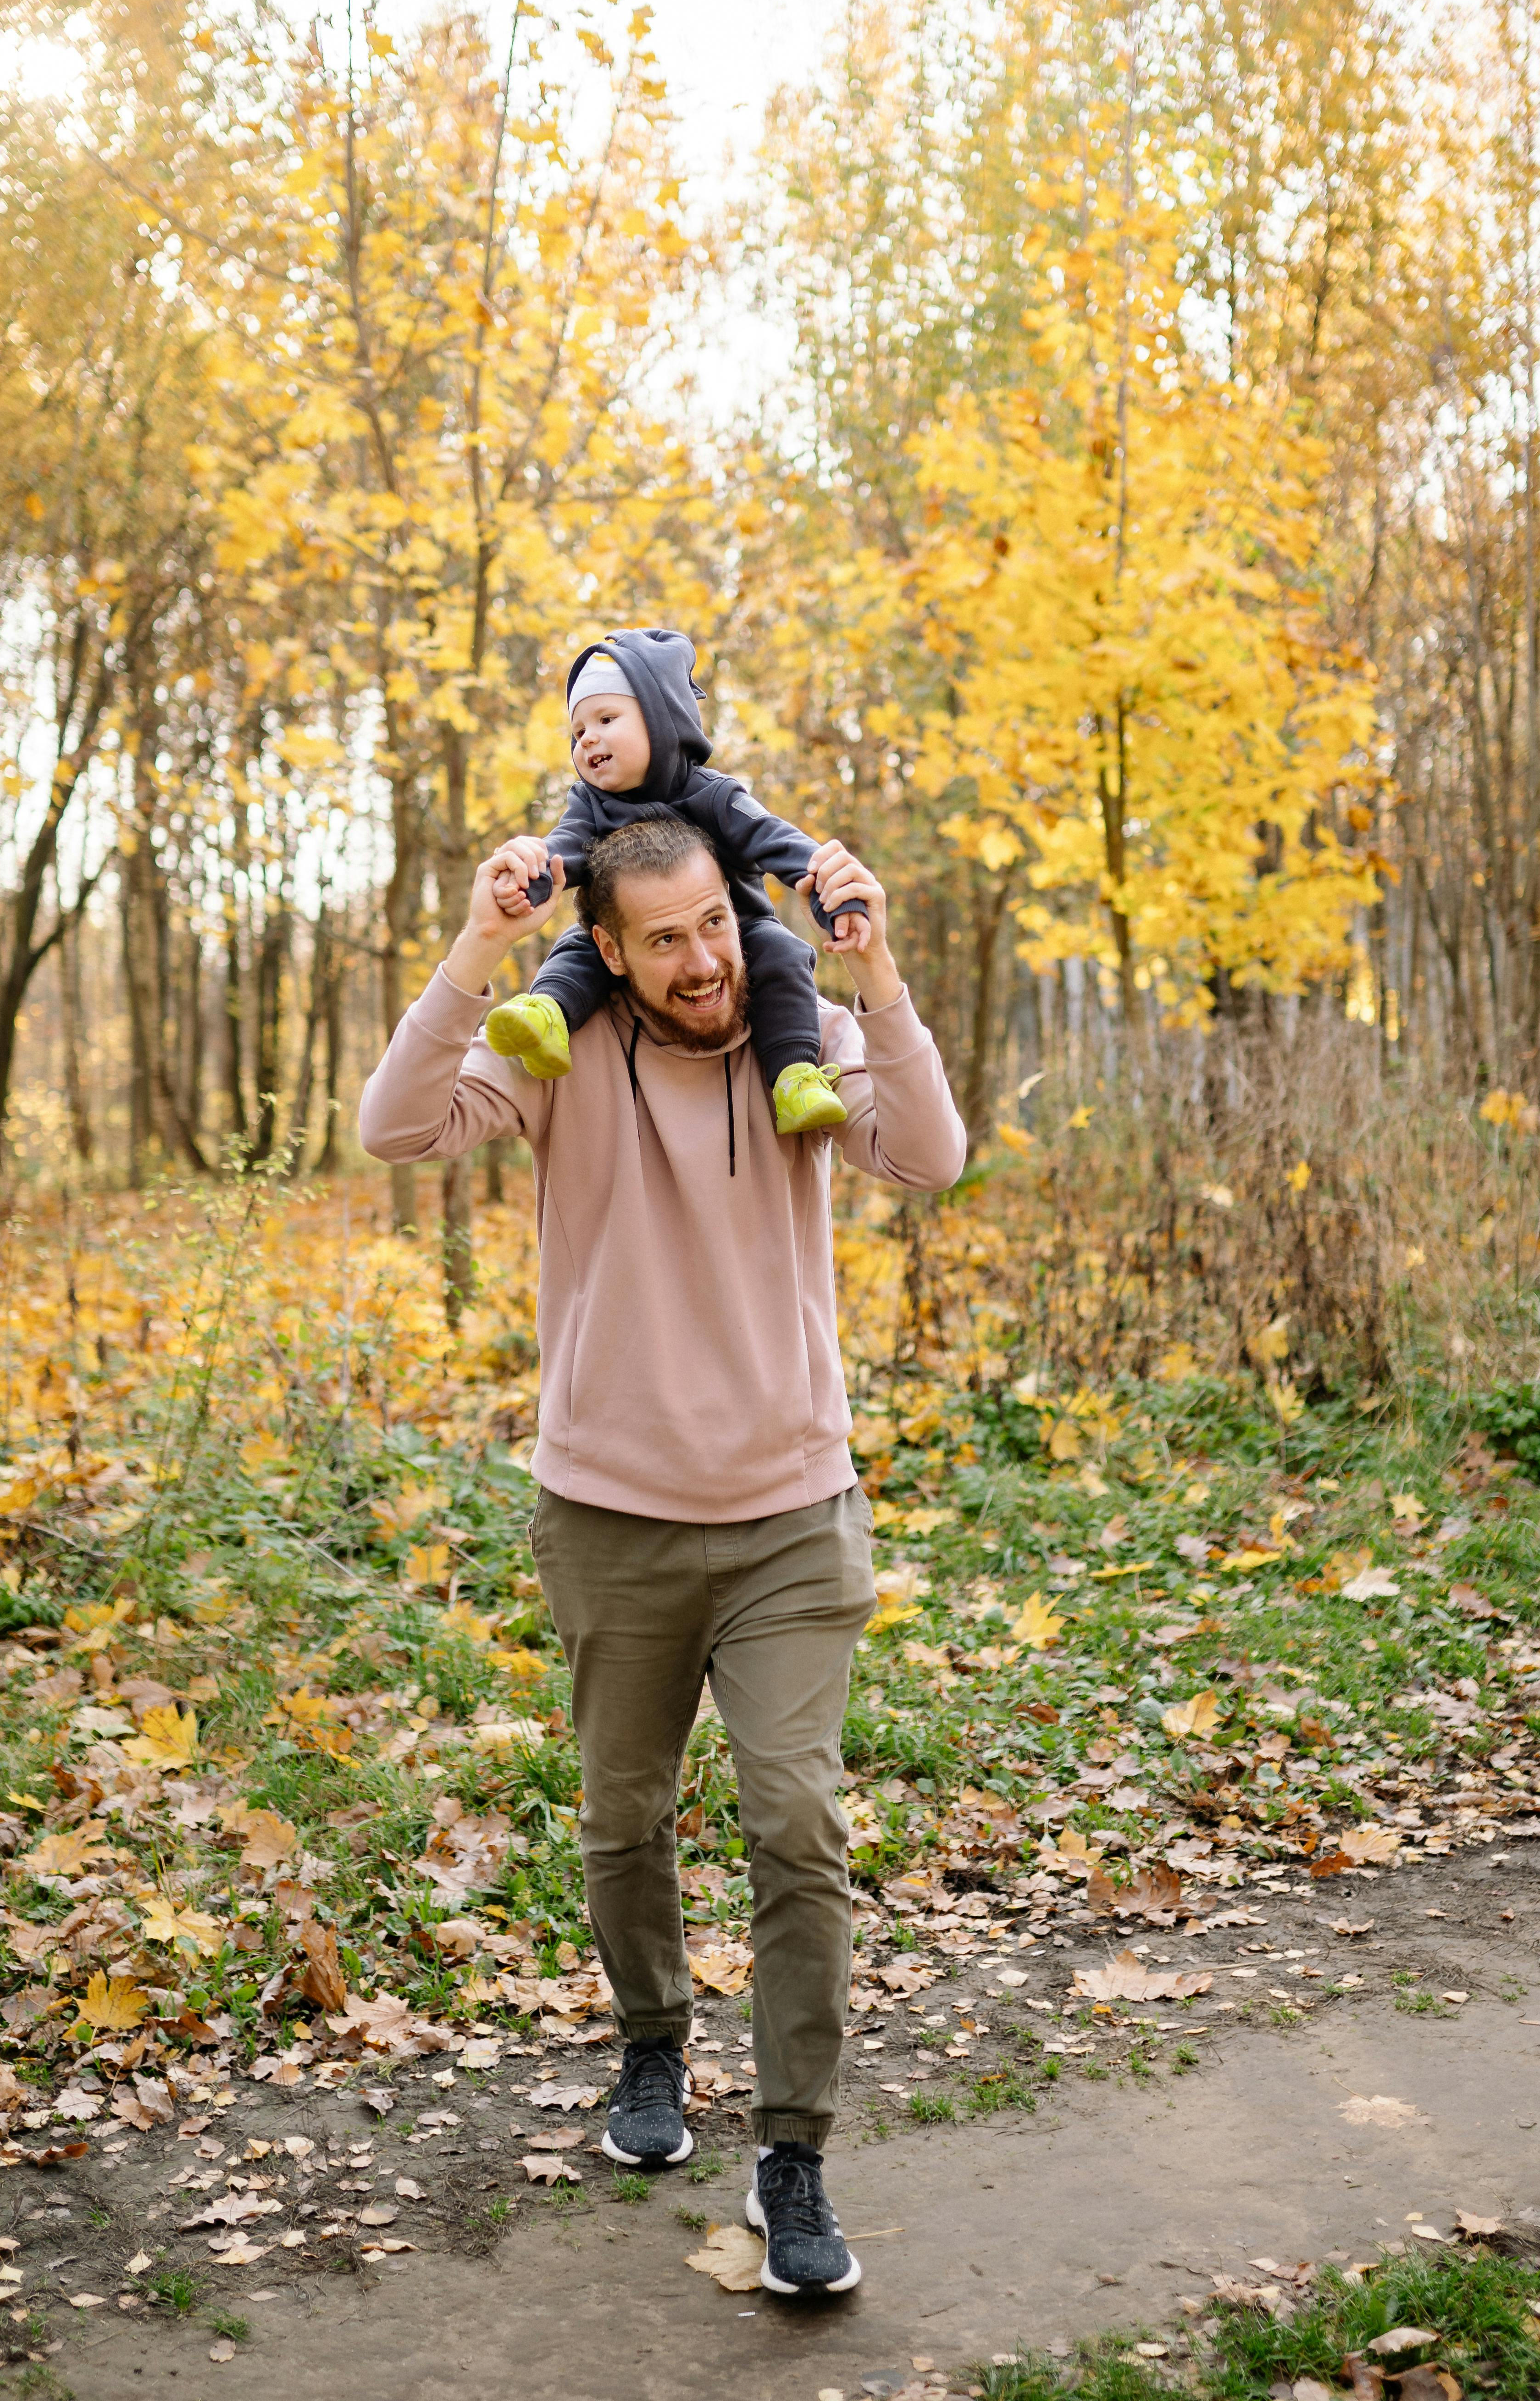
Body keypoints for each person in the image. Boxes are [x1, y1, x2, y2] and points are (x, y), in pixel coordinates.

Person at [359, 812, 966, 2296]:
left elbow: (931, 1160)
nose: (701, 959)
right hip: (613, 1520)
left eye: (715, 925)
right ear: (612, 955)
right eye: (666, 939)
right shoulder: (560, 1052)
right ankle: (649, 2044)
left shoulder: (794, 1030)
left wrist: (872, 975)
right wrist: (481, 944)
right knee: (625, 1824)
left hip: (790, 1519)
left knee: (796, 1825)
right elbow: (397, 1126)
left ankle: (794, 2156)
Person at [480, 626, 852, 1136]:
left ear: (661, 721)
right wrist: (530, 878)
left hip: (735, 937)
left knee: (785, 956)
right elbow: (563, 849)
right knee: (578, 949)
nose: (588, 738)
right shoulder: (589, 805)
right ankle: (547, 1017)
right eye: (577, 732)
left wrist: (829, 890)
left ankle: (794, 1076)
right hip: (632, 947)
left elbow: (774, 840)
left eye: (606, 719)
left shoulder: (714, 795)